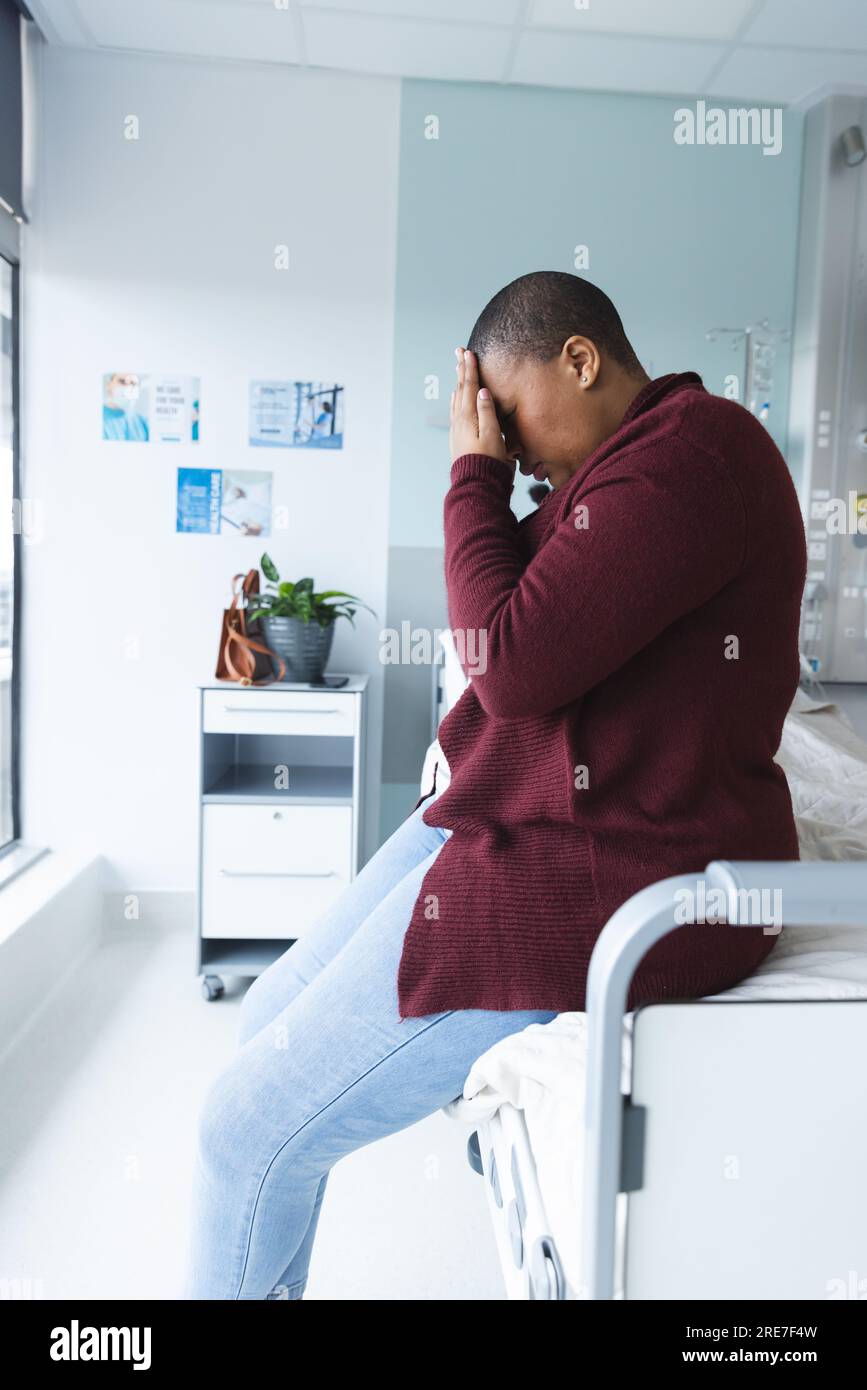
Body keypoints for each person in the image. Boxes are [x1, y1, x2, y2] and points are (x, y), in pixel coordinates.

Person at [181, 271, 807, 1299]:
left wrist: (473, 475)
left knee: (239, 1130)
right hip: (520, 823)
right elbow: (502, 611)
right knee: (262, 1032)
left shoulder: (694, 455)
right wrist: (498, 472)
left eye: (513, 417)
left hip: (613, 869)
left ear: (580, 359)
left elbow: (505, 661)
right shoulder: (618, 470)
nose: (511, 446)